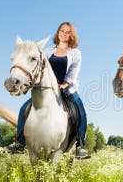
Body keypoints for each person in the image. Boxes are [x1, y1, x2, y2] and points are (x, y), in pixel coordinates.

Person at [8, 22, 90, 159]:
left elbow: (74, 71)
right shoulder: (46, 52)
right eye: (62, 30)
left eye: (67, 32)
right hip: (46, 89)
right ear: (58, 32)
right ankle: (19, 142)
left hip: (66, 89)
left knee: (80, 112)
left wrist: (65, 84)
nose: (64, 33)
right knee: (24, 109)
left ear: (72, 35)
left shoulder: (75, 53)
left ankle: (80, 145)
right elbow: (36, 68)